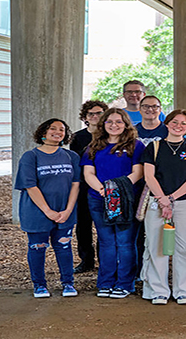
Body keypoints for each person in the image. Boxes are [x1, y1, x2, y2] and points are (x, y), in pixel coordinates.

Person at [141, 110, 186, 305]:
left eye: (184, 123)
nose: (179, 126)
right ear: (167, 124)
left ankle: (184, 290)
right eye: (175, 122)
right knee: (156, 245)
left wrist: (171, 198)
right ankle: (157, 290)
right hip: (157, 201)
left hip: (185, 202)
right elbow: (149, 176)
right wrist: (163, 199)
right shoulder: (154, 147)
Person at [81, 108, 146, 299]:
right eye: (109, 121)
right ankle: (105, 282)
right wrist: (103, 190)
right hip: (98, 199)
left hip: (126, 200)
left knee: (125, 243)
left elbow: (138, 172)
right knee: (106, 242)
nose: (114, 125)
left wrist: (116, 190)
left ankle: (125, 284)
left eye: (118, 121)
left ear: (126, 124)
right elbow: (88, 173)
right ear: (103, 124)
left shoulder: (136, 145)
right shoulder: (94, 146)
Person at [15, 119, 81, 298]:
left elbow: (75, 184)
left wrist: (68, 210)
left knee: (64, 247)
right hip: (37, 212)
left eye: (62, 129)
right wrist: (48, 211)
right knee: (38, 248)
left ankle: (68, 283)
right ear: (43, 132)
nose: (58, 132)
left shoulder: (71, 156)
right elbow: (30, 186)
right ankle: (39, 285)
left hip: (64, 211)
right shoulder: (31, 156)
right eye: (53, 128)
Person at [70, 100, 108, 274]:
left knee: (104, 224)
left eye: (99, 113)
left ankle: (104, 259)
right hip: (83, 186)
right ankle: (86, 260)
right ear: (85, 117)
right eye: (90, 114)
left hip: (105, 185)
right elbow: (75, 162)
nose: (95, 116)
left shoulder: (110, 135)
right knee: (83, 224)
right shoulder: (77, 137)